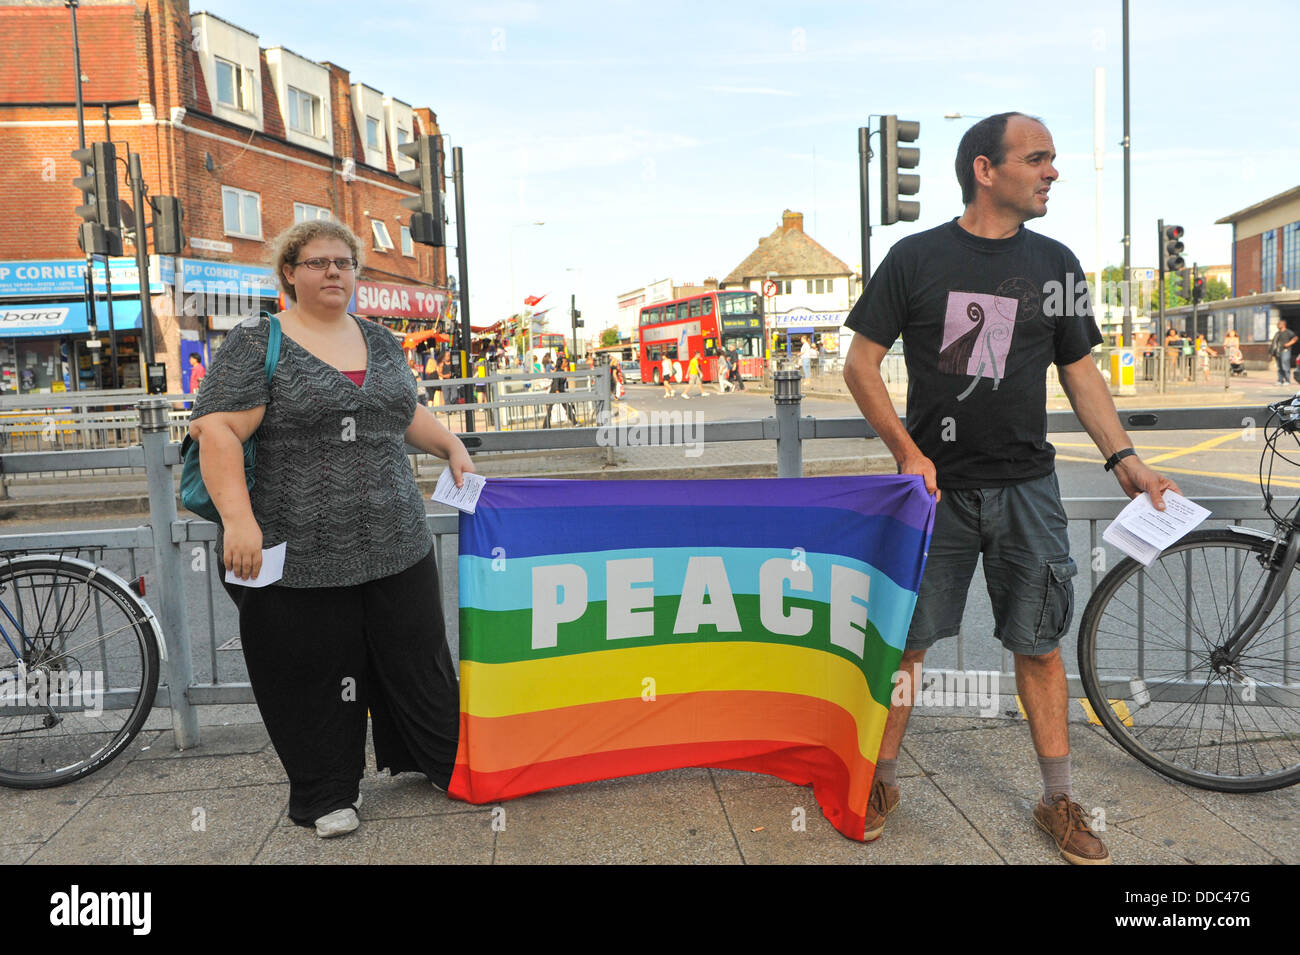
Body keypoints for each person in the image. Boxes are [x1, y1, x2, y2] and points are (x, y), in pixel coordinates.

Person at [842, 112, 1179, 865]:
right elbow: (860, 365)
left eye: (1053, 159)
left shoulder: (1055, 263)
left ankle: (1058, 798)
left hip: (1028, 488)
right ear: (985, 170)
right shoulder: (915, 257)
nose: (1052, 171)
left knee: (1039, 647)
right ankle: (880, 781)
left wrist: (1124, 458)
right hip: (934, 495)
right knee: (906, 646)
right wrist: (906, 452)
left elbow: (1080, 370)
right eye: (1038, 158)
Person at [187, 219, 474, 838]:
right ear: (289, 272)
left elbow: (403, 410)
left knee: (418, 657)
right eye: (317, 262)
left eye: (344, 262)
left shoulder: (381, 339)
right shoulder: (257, 341)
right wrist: (238, 521)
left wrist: (450, 445)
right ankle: (327, 793)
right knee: (312, 672)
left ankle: (440, 759)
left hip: (397, 537)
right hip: (298, 548)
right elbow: (217, 429)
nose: (333, 272)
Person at [1270, 319, 1297, 386]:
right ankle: (1280, 380)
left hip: (1285, 351)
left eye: (1279, 324)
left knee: (1285, 365)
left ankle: (1287, 380)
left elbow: (1295, 338)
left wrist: (1288, 344)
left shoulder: (1288, 332)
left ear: (1283, 324)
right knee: (1279, 367)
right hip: (1278, 352)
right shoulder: (1278, 333)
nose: (1277, 325)